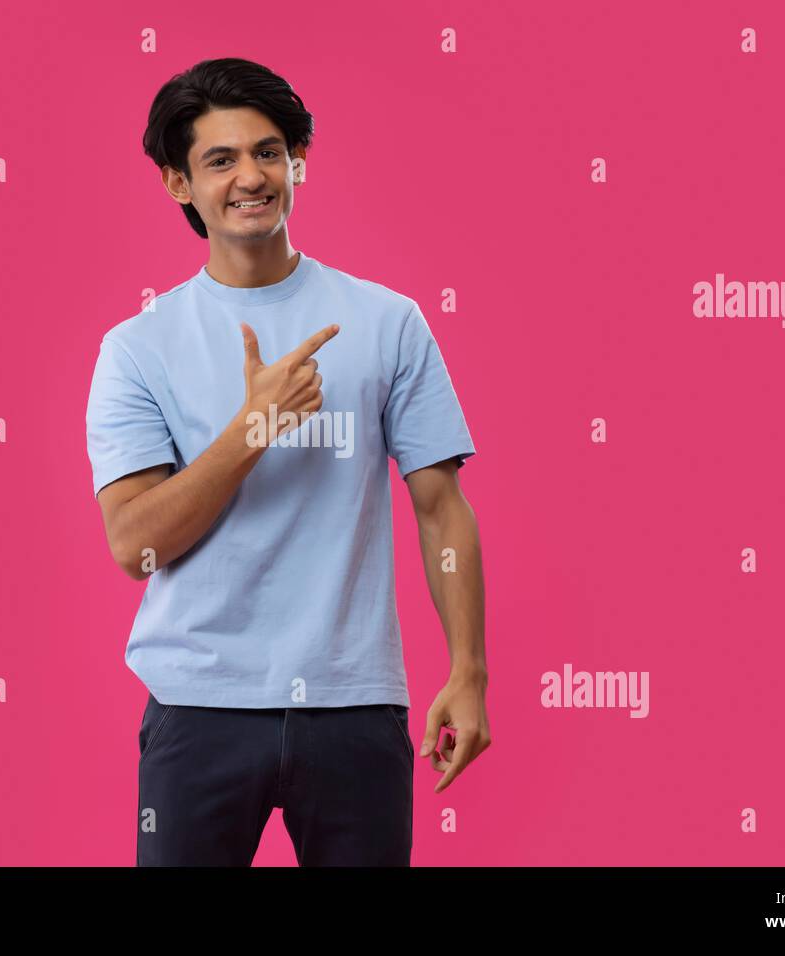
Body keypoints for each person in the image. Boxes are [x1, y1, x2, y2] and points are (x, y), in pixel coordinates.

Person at [86, 57, 490, 866]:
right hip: (197, 709)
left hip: (354, 707)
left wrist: (469, 670)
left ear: (295, 163)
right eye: (221, 159)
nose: (251, 177)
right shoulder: (137, 350)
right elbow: (137, 547)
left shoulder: (388, 323)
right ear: (178, 183)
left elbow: (440, 505)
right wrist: (251, 432)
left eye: (269, 152)